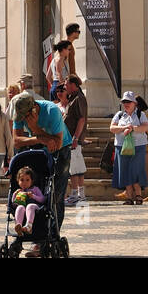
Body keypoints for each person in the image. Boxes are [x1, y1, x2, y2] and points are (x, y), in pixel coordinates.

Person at [12, 91, 72, 240]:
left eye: (26, 117)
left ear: (33, 109)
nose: (23, 120)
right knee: (37, 185)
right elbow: (17, 140)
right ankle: (35, 233)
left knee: (55, 195)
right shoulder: (20, 112)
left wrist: (36, 129)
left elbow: (56, 144)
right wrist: (39, 139)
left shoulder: (52, 111)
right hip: (39, 150)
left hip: (61, 150)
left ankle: (52, 233)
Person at [110, 91, 148, 205]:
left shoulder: (141, 114)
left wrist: (133, 128)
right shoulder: (119, 115)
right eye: (124, 102)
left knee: (136, 170)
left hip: (138, 146)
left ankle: (138, 195)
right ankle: (129, 196)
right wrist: (124, 128)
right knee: (125, 171)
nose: (126, 104)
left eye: (128, 101)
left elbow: (145, 127)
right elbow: (112, 128)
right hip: (121, 146)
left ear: (134, 103)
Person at [62, 75, 87, 205]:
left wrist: (76, 137)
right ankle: (78, 195)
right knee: (75, 167)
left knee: (75, 168)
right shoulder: (73, 98)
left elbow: (81, 119)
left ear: (73, 85)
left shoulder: (79, 98)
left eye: (66, 84)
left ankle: (76, 195)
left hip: (73, 140)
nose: (65, 87)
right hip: (71, 139)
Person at [12, 166, 46, 237]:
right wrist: (15, 195)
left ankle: (29, 226)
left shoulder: (35, 189)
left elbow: (42, 199)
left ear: (32, 181)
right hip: (23, 208)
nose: (24, 182)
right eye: (22, 180)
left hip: (35, 207)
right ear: (18, 181)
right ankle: (19, 226)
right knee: (20, 207)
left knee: (30, 206)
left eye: (27, 180)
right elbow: (14, 204)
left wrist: (33, 196)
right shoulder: (19, 191)